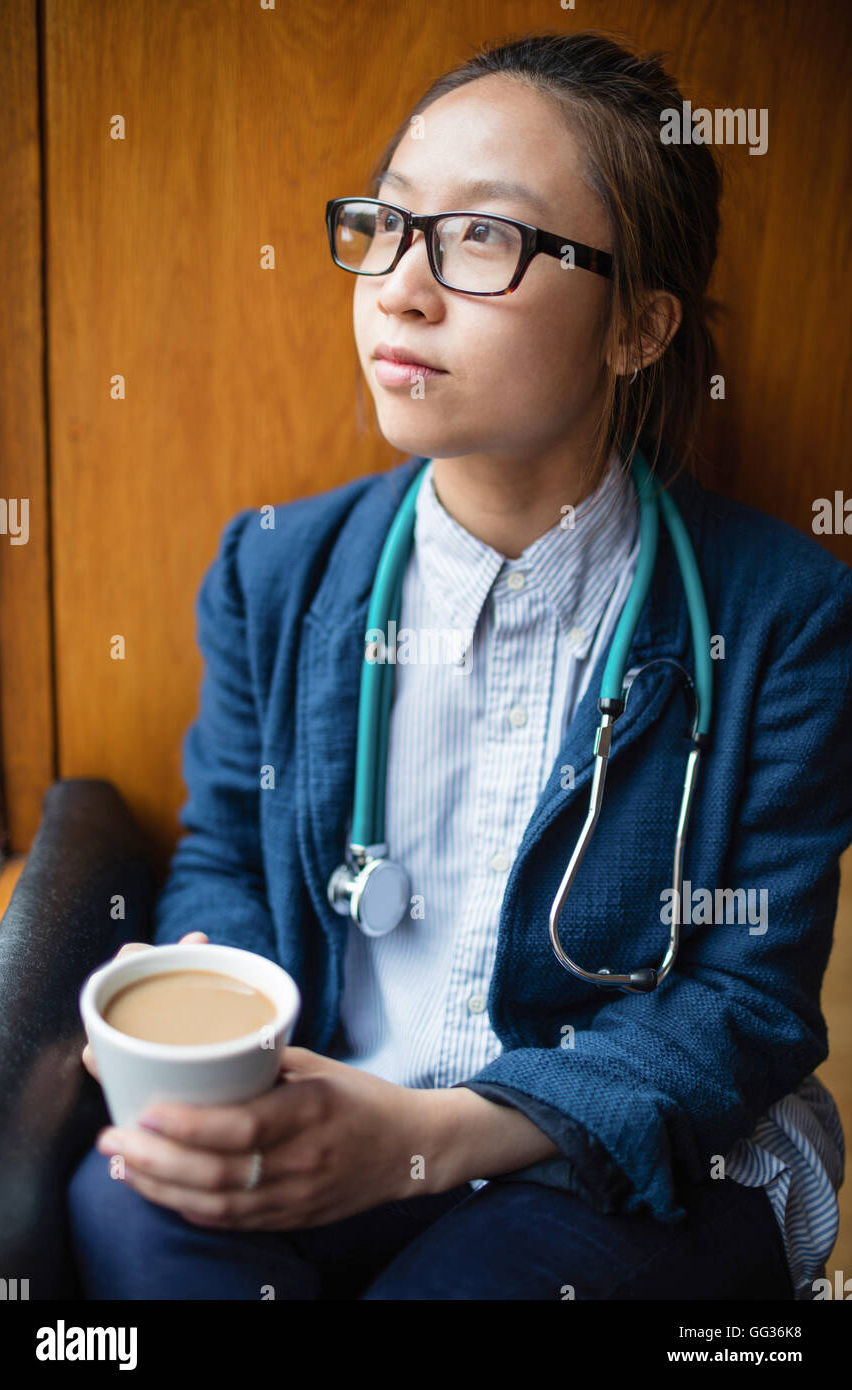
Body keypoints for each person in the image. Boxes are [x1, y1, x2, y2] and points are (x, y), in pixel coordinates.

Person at [67, 30, 851, 1301]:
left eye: (482, 237)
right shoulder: (276, 571)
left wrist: (421, 1143)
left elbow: (743, 1006)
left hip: (610, 1153)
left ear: (637, 328)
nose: (399, 286)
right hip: (329, 1095)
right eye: (387, 224)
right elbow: (223, 857)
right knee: (128, 1214)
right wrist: (220, 1068)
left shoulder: (780, 614)